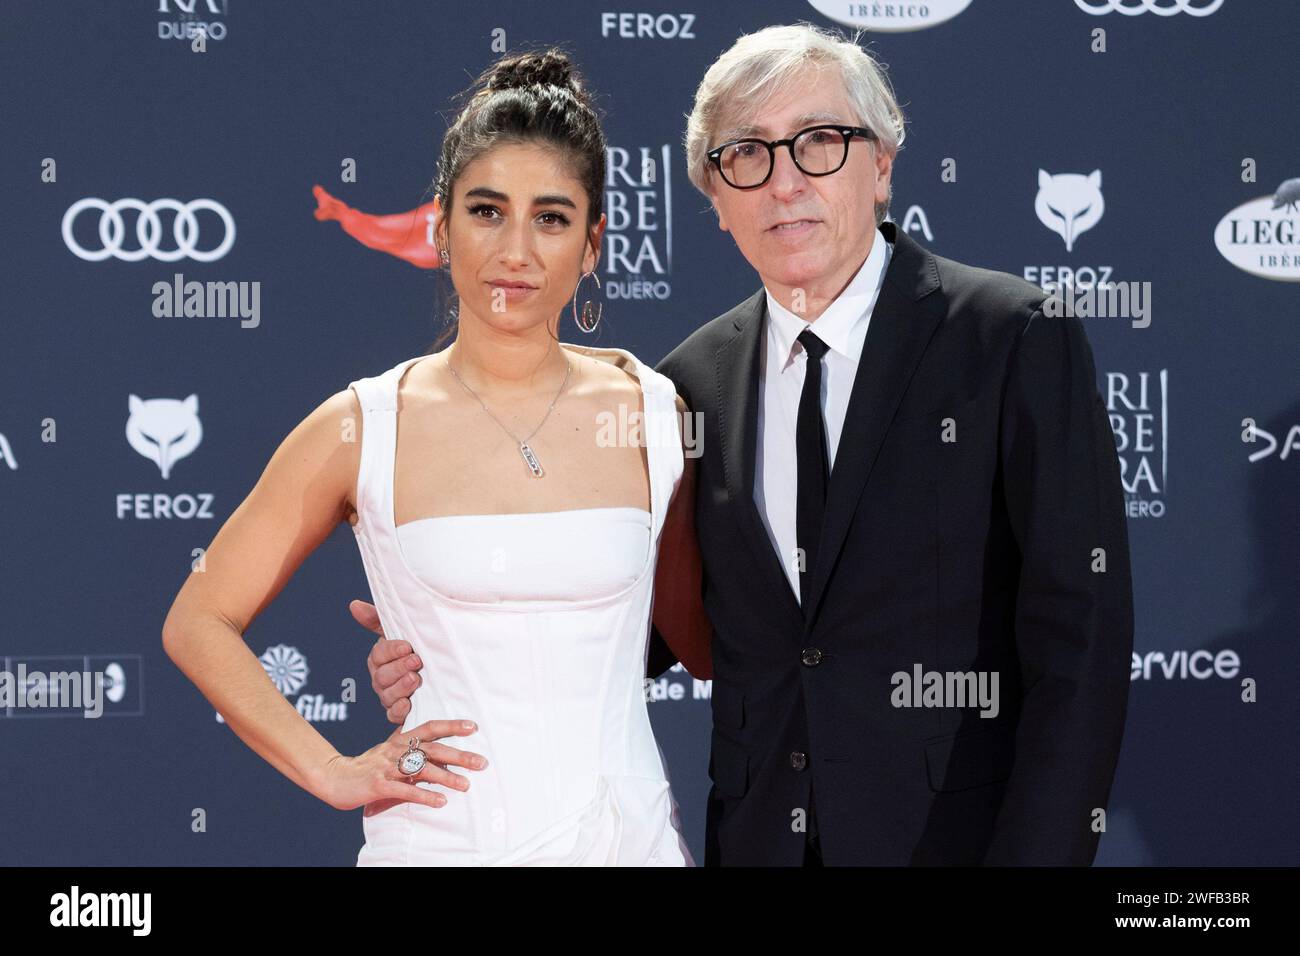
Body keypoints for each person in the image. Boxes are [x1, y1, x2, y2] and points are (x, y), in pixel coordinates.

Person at [364, 23, 1134, 867]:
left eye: (819, 144)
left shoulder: (1008, 339)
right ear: (715, 199)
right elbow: (634, 622)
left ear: (881, 165)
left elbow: (1080, 642)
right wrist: (448, 642)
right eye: (747, 156)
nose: (784, 184)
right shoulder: (682, 387)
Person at [162, 48, 712, 866]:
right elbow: (198, 621)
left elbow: (692, 638)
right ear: (440, 227)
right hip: (440, 843)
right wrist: (331, 769)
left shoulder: (653, 413)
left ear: (593, 244)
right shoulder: (363, 425)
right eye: (487, 211)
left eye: (552, 218)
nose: (516, 251)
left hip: (628, 843)